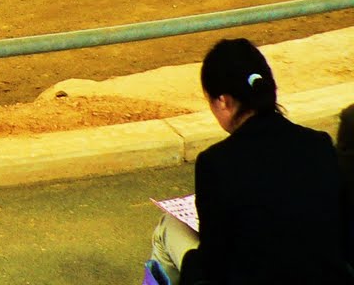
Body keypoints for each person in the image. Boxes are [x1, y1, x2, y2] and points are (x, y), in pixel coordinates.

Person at [147, 38, 346, 285]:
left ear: (223, 101)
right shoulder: (319, 144)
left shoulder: (215, 163)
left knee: (168, 228)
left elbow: (214, 260)